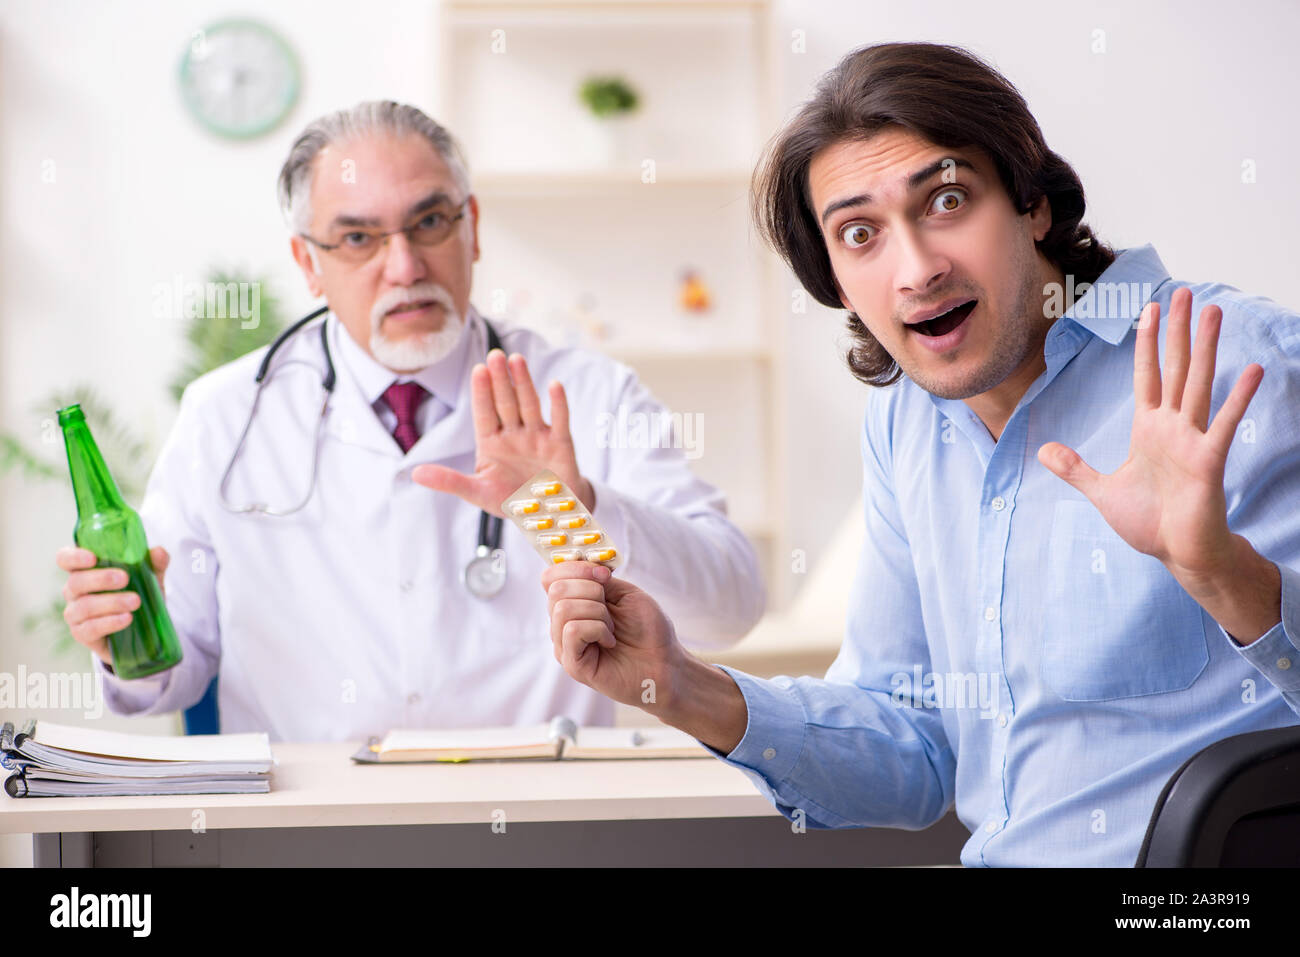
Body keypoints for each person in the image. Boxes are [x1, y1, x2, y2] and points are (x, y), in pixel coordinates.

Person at [542, 42, 1300, 867]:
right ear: (834, 279)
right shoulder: (908, 422)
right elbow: (915, 750)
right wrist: (681, 684)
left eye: (946, 200)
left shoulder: (1237, 362)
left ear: (1033, 203)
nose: (917, 268)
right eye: (860, 232)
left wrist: (1223, 572)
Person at [57, 101, 764, 742]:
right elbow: (166, 677)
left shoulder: (585, 392)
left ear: (473, 227)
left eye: (428, 222)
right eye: (358, 237)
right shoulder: (228, 415)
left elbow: (730, 607)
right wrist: (120, 636)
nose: (403, 266)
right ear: (308, 262)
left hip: (542, 821)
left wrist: (575, 510)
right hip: (311, 825)